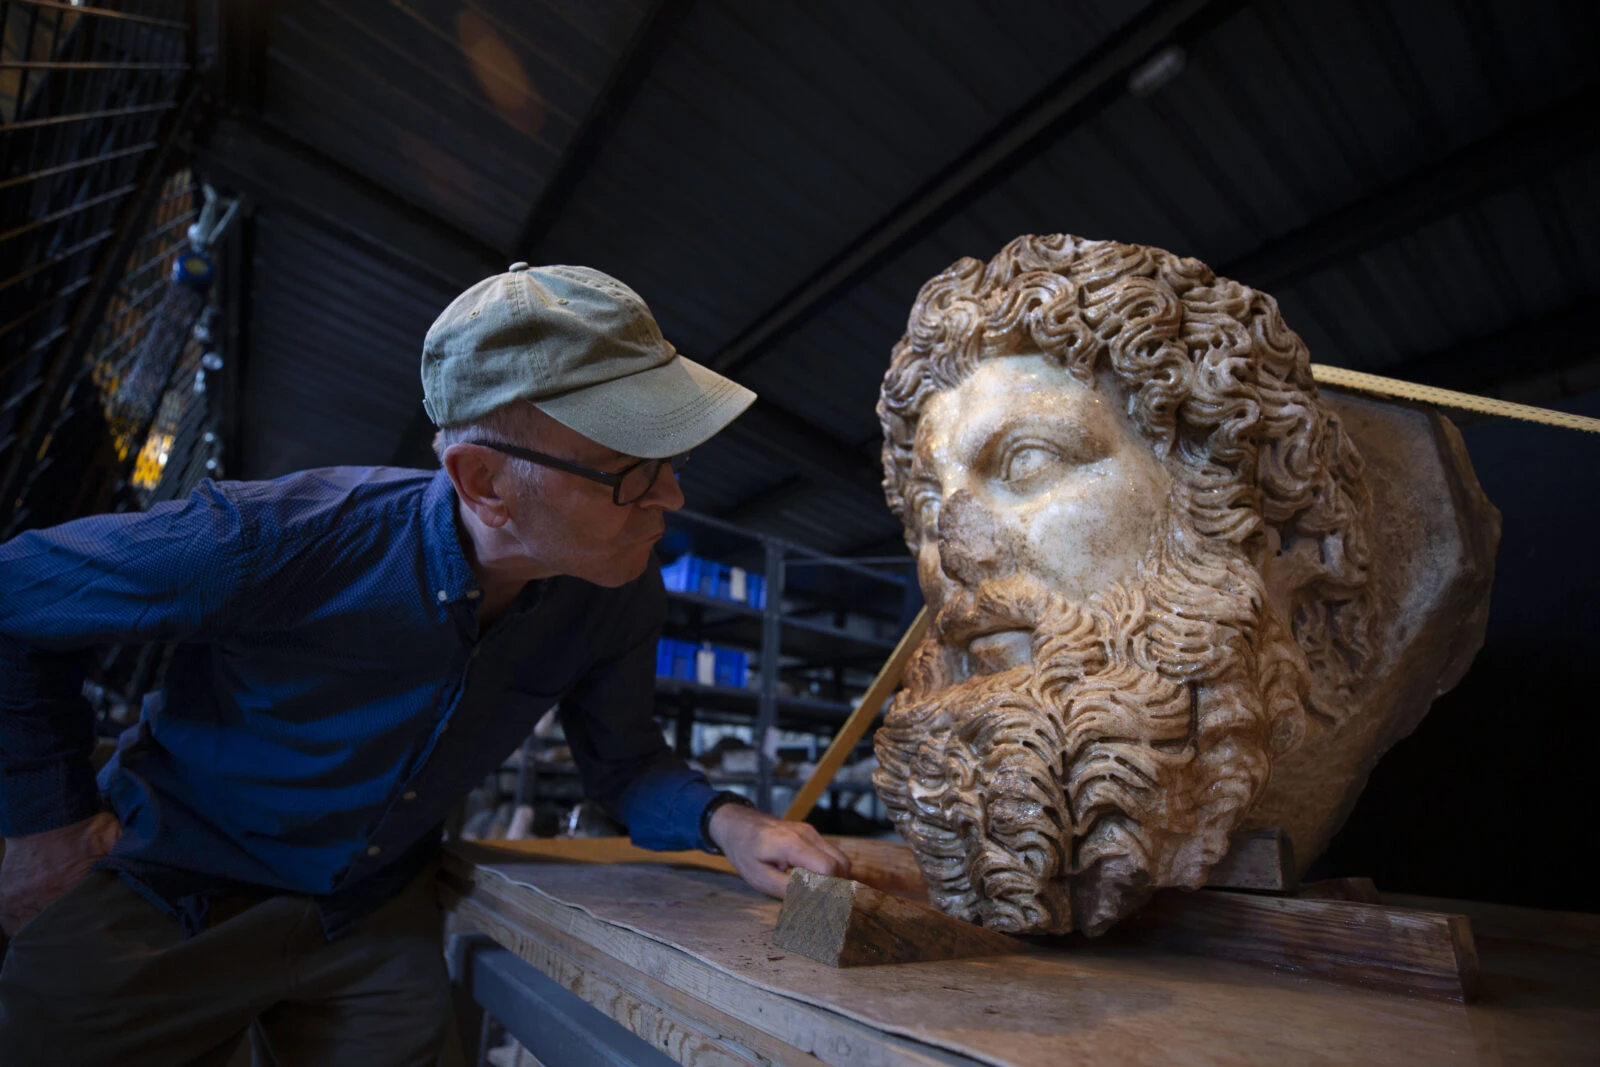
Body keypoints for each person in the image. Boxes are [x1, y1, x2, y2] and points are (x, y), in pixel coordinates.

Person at [0, 263, 850, 1066]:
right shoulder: (272, 541)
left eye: (673, 461)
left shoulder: (615, 587)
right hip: (172, 881)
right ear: (484, 481)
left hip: (367, 910)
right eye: (631, 474)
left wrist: (731, 823)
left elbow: (624, 760)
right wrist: (45, 823)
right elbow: (13, 596)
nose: (671, 499)